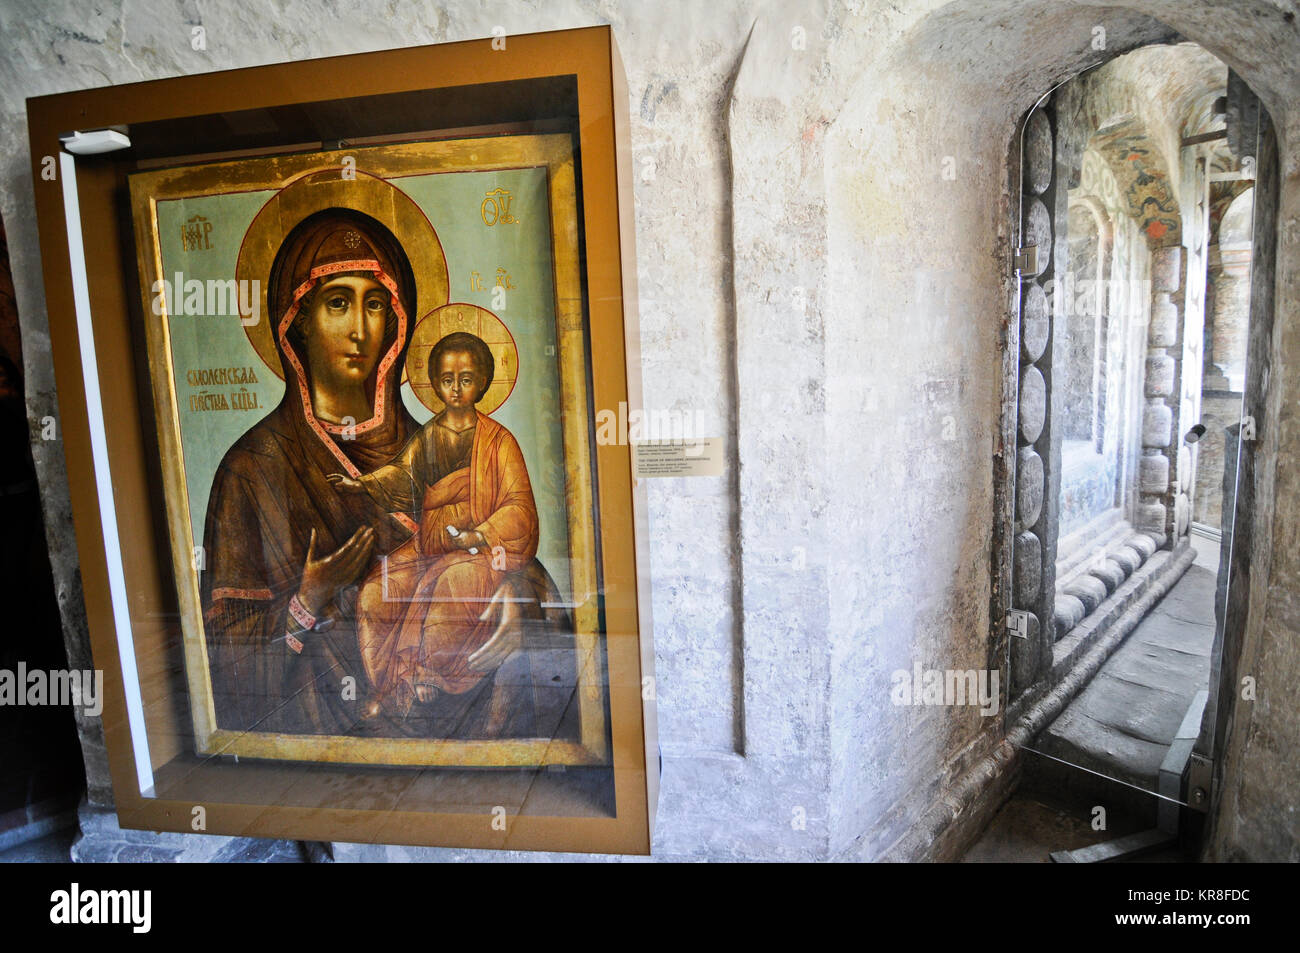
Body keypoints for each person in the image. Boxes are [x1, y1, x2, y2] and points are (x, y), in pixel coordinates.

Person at [329, 332, 564, 731]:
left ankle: (430, 675)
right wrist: (363, 485)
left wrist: (480, 534)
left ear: (483, 382)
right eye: (447, 379)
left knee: (452, 584)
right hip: (428, 545)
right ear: (435, 384)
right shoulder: (430, 436)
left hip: (482, 551)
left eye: (466, 379)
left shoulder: (499, 442)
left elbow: (519, 507)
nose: (456, 389)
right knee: (375, 593)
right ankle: (389, 686)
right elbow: (403, 477)